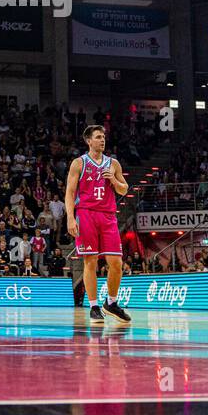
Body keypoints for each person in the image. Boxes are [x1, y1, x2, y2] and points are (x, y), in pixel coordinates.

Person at [65, 125, 131, 323]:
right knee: (90, 261)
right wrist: (70, 217)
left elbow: (124, 190)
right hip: (86, 214)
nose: (102, 140)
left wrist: (114, 181)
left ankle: (111, 303)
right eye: (98, 137)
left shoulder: (114, 164)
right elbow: (70, 192)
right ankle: (94, 306)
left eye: (103, 137)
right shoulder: (79, 163)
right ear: (88, 141)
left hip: (108, 215)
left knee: (116, 263)